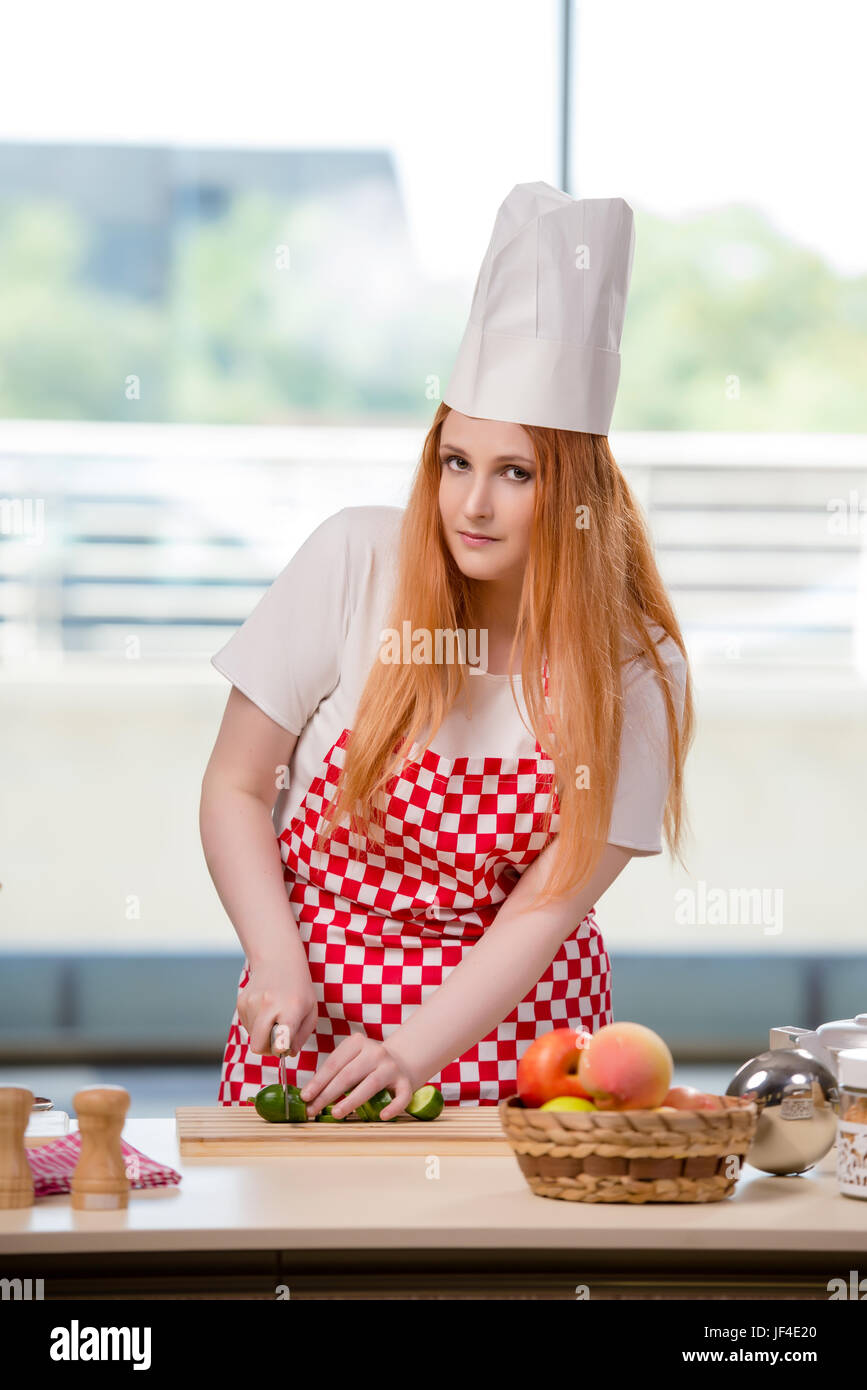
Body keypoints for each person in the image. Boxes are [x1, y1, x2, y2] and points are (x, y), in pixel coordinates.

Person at [199, 182, 694, 1120]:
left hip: (525, 1055)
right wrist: (273, 957)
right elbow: (234, 786)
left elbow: (544, 907)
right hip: (311, 1030)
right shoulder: (354, 560)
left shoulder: (637, 669)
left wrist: (408, 1053)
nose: (472, 505)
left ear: (577, 490)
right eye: (456, 464)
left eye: (516, 473)